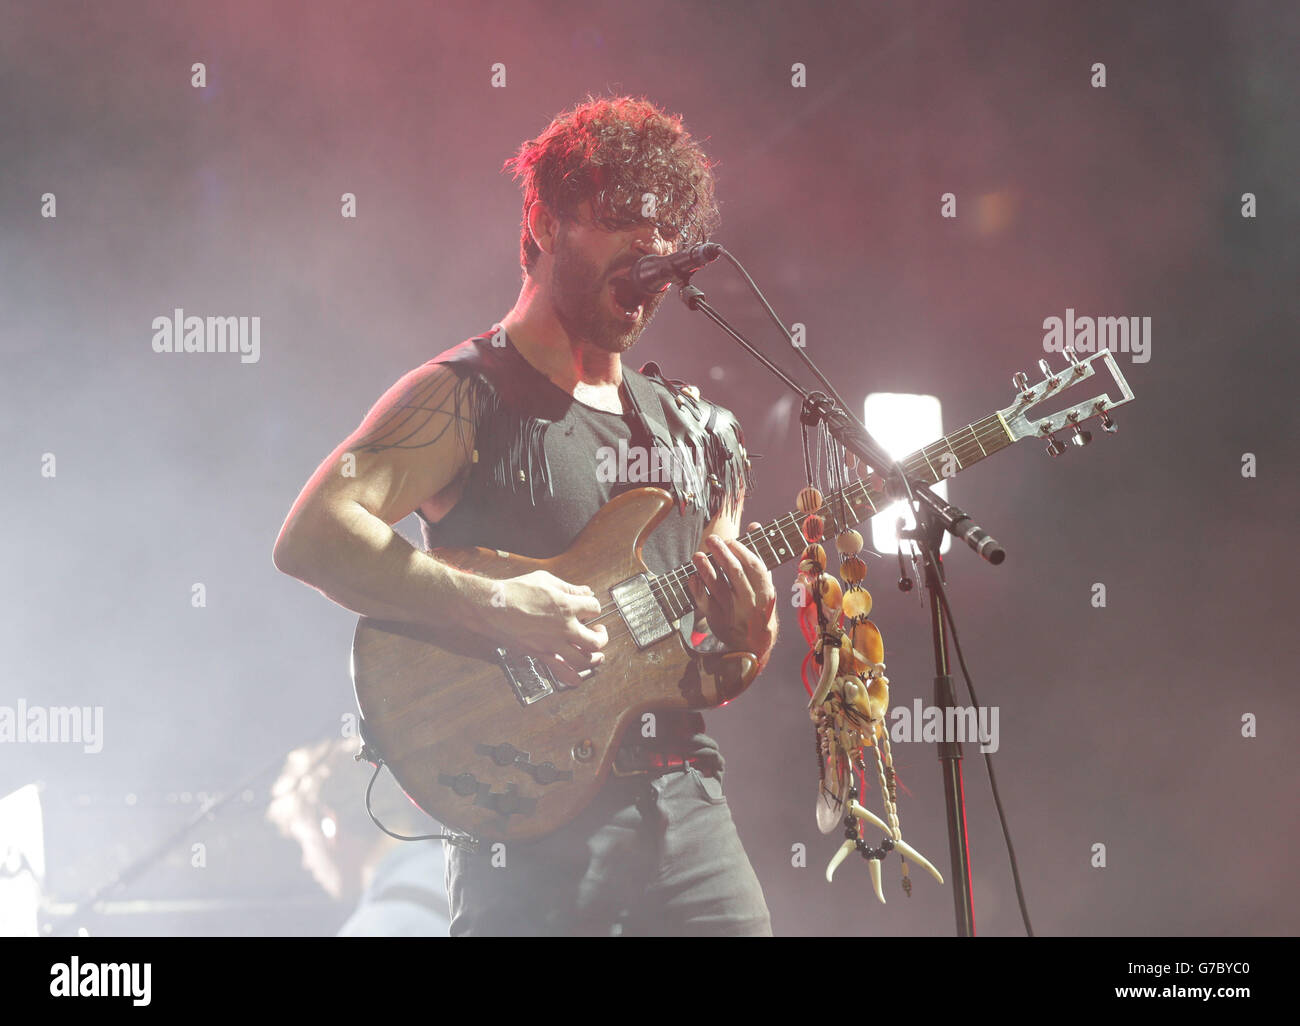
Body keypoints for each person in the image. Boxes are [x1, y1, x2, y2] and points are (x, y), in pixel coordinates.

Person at [273, 95, 778, 936]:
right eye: (622, 222)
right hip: (523, 832)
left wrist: (751, 637)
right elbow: (314, 536)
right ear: (543, 224)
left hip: (685, 812)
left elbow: (706, 671)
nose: (651, 251)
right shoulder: (464, 395)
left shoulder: (700, 434)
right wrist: (502, 605)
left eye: (665, 233)